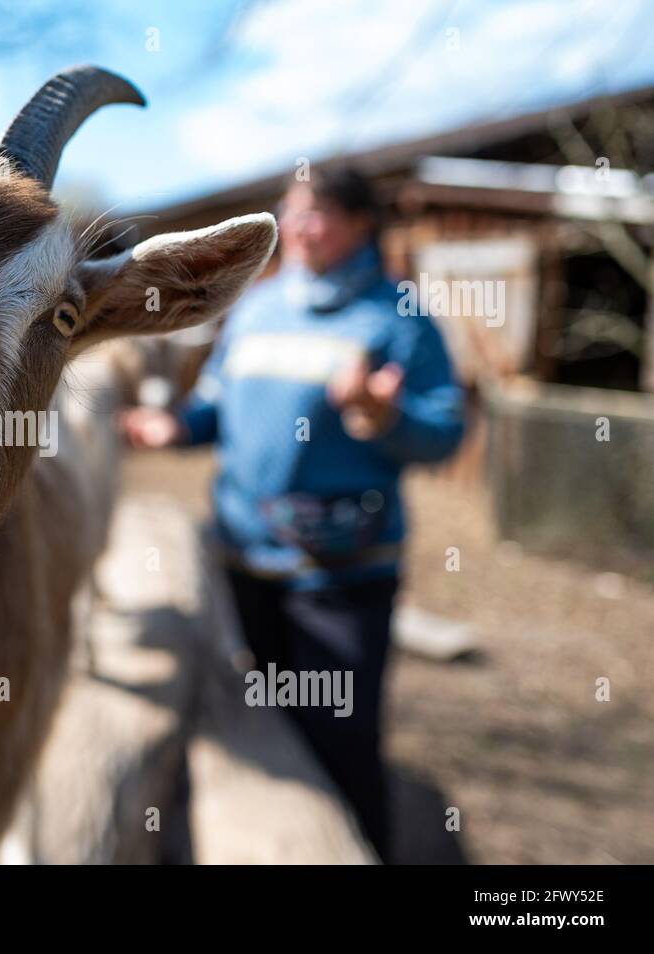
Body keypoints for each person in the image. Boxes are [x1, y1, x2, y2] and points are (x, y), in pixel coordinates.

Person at [120, 168, 464, 863]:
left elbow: (446, 430)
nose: (301, 227)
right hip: (245, 562)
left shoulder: (396, 316)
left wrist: (387, 415)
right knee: (261, 727)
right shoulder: (257, 307)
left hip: (341, 575)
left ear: (362, 224)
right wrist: (177, 428)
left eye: (321, 214)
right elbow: (219, 406)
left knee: (338, 736)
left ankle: (363, 845)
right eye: (293, 212)